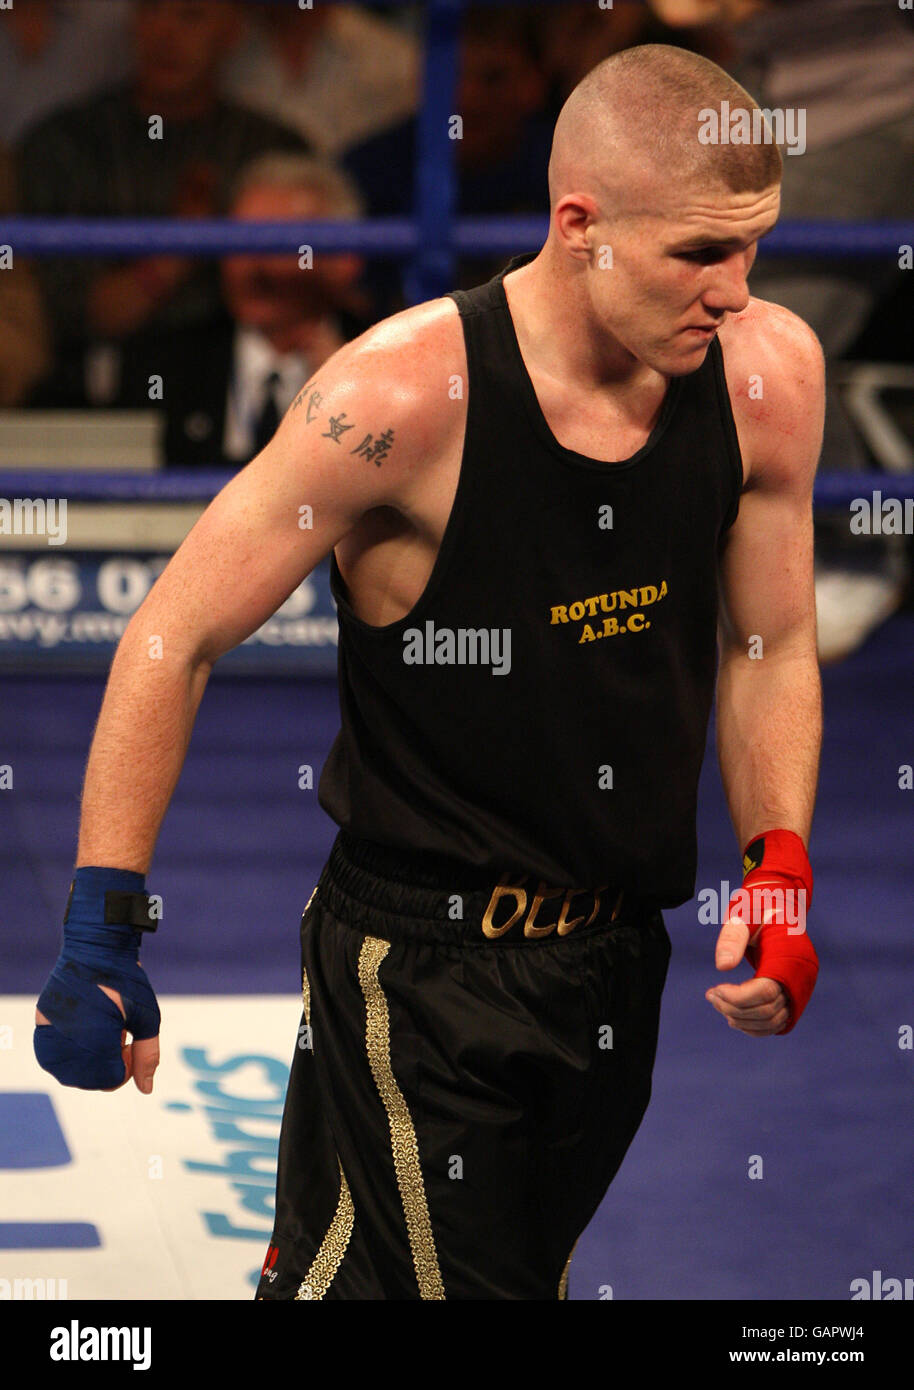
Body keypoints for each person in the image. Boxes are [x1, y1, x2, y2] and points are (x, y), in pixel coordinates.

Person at [33, 44, 823, 1301]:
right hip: (420, 977)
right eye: (697, 255)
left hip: (617, 957)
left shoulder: (768, 376)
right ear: (580, 227)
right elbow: (172, 631)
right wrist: (99, 926)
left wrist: (775, 863)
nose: (734, 292)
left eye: (752, 248)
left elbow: (768, 641)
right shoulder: (399, 400)